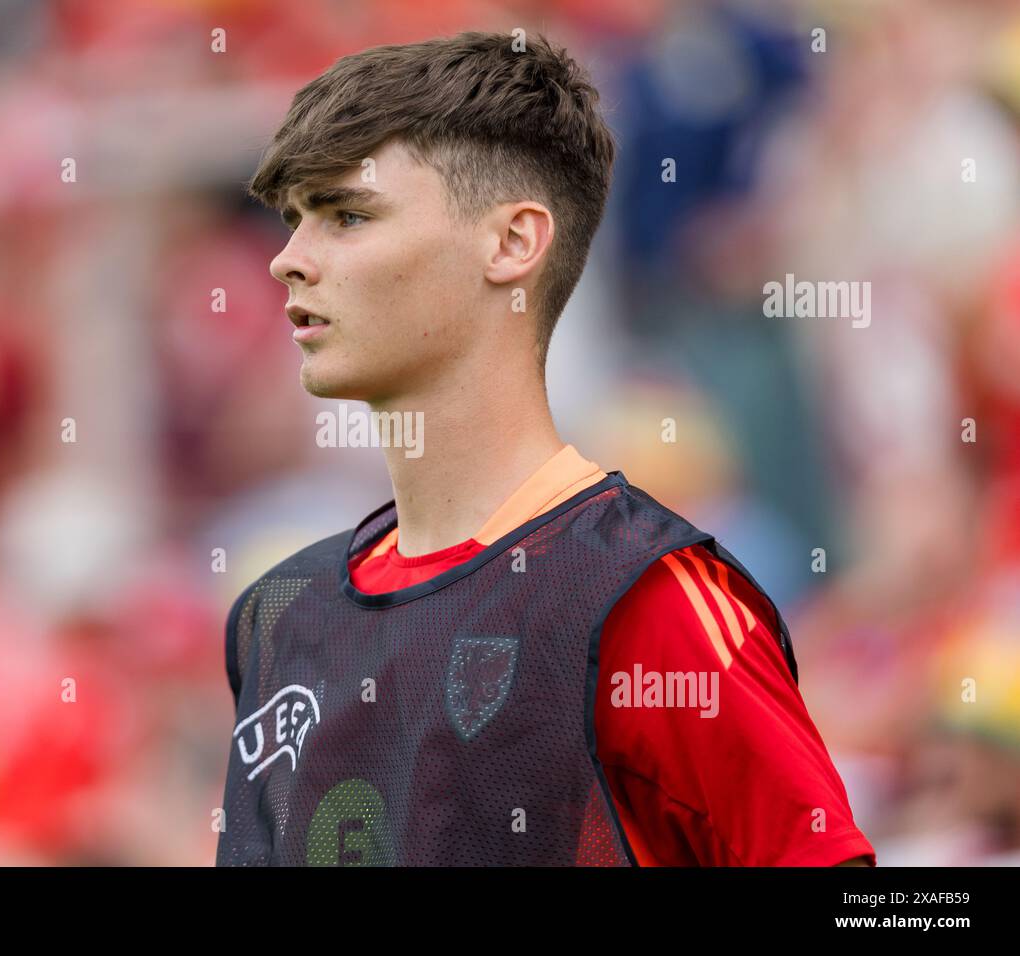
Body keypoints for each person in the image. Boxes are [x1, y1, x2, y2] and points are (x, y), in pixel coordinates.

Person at [215, 30, 874, 867]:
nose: (288, 261)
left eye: (348, 214)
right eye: (293, 219)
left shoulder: (647, 599)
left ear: (513, 244)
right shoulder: (277, 618)